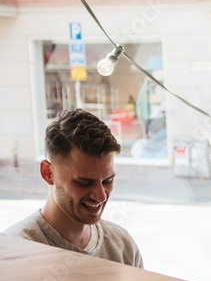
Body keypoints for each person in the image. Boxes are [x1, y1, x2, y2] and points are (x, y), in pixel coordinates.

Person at [4, 109, 143, 267]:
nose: (101, 196)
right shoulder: (12, 253)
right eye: (84, 182)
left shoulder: (123, 246)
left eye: (107, 181)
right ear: (47, 173)